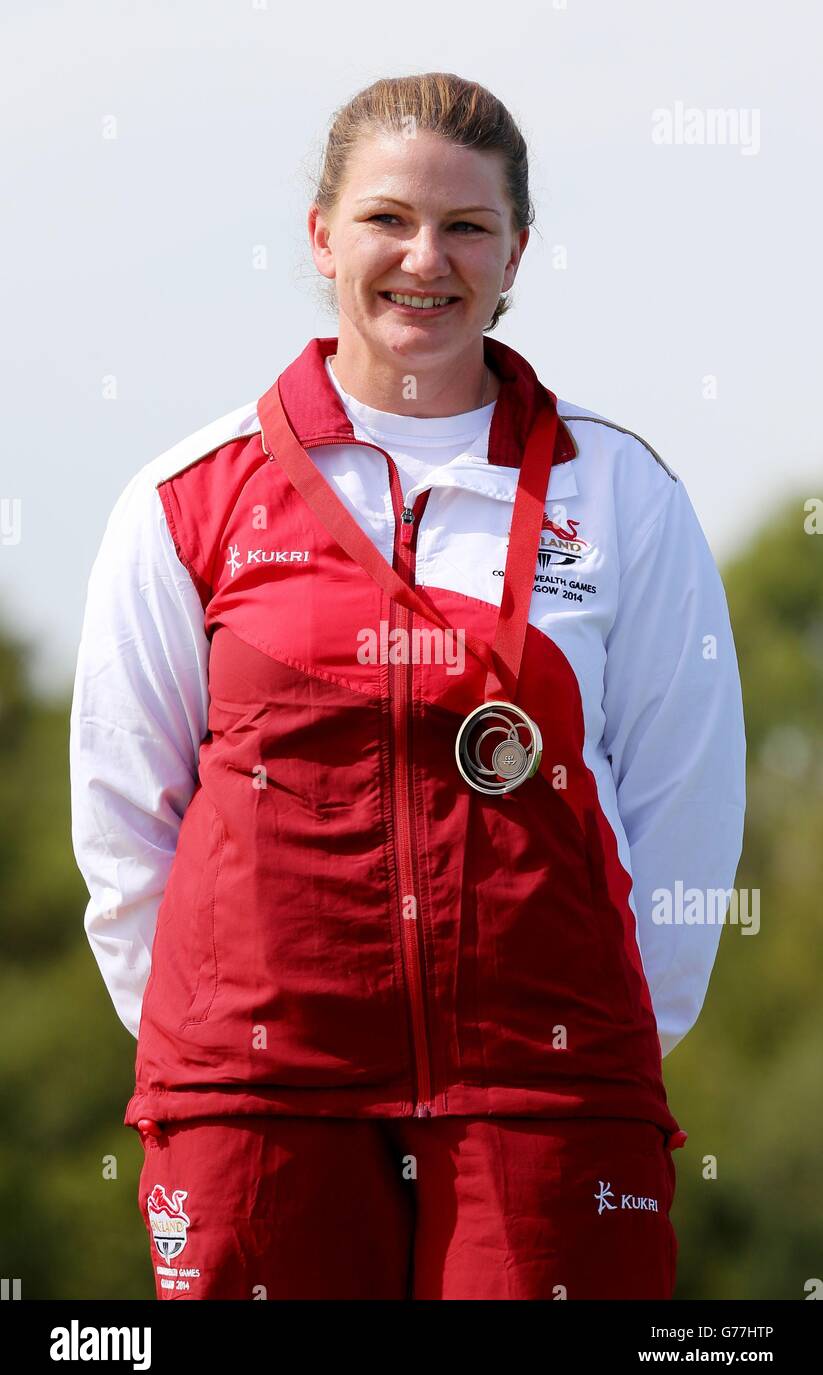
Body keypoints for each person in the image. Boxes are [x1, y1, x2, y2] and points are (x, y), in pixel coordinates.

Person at [68, 72, 746, 1300]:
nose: (423, 259)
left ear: (516, 251)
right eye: (387, 219)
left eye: (466, 226)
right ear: (322, 235)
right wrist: (212, 1045)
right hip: (257, 1101)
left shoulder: (622, 491)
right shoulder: (188, 495)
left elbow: (684, 808)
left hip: (543, 1098)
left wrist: (604, 1049)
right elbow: (125, 822)